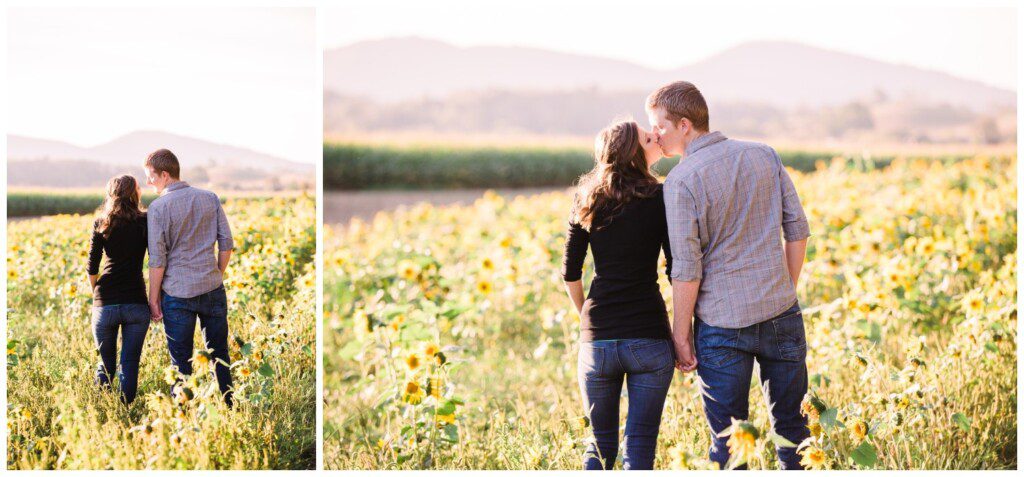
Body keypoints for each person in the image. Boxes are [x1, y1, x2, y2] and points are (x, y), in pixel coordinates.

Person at [648, 81, 812, 469]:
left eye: (660, 126)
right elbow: (799, 229)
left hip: (721, 326)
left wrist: (680, 334)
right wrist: (785, 289)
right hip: (781, 312)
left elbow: (687, 268)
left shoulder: (681, 182)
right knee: (794, 431)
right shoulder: (764, 155)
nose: (655, 135)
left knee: (729, 440)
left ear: (685, 124)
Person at [561, 120, 675, 470]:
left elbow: (570, 271)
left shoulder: (587, 198)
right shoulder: (661, 197)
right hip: (649, 337)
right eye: (647, 136)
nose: (654, 136)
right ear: (634, 151)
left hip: (598, 339)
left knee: (599, 446)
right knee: (640, 445)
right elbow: (676, 270)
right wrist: (684, 330)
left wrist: (585, 314)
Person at [145, 148, 236, 407]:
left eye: (150, 176)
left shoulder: (158, 208)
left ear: (164, 174)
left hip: (177, 294)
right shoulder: (210, 198)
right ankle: (230, 406)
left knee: (180, 362)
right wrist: (217, 275)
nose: (148, 182)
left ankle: (184, 415)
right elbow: (226, 244)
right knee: (220, 354)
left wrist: (154, 299)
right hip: (212, 288)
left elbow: (158, 260)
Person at [88, 174, 151, 404]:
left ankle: (103, 411)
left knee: (104, 364)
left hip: (105, 301)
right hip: (136, 301)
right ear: (135, 193)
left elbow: (92, 266)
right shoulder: (145, 221)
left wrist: (97, 294)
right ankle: (125, 410)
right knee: (130, 362)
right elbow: (156, 261)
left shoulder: (101, 222)